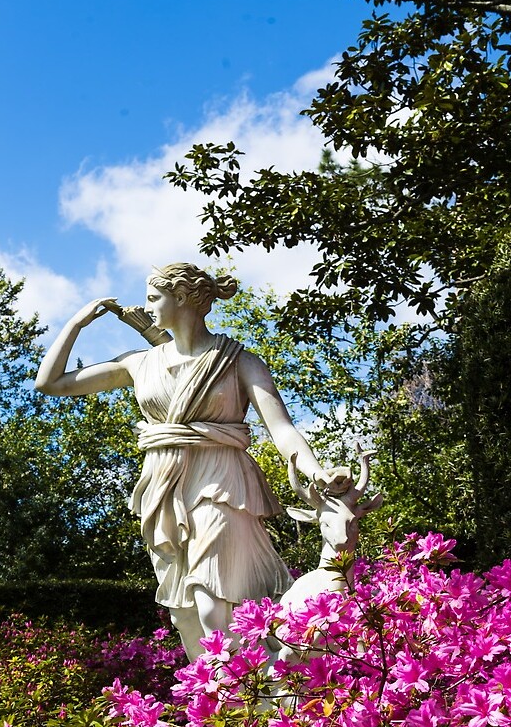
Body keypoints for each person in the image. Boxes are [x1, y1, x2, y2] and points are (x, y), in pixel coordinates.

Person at [35, 262, 353, 659]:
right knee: (184, 612)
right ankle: (226, 685)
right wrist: (76, 324)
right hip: (164, 488)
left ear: (182, 297)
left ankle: (232, 674)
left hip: (221, 481)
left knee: (209, 593)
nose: (146, 307)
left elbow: (282, 429)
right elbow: (50, 383)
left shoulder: (238, 362)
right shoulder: (139, 363)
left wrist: (316, 471)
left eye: (154, 298)